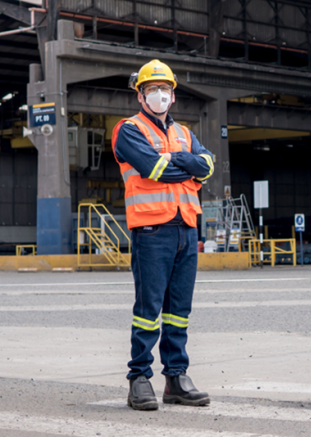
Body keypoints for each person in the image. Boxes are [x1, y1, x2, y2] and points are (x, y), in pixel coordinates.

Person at [112, 59, 215, 411]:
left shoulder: (185, 132)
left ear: (173, 95)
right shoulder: (128, 130)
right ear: (140, 95)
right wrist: (186, 164)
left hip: (186, 228)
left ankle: (176, 378)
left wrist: (180, 160)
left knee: (178, 311)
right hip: (152, 231)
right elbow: (155, 170)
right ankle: (139, 378)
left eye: (165, 89)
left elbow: (208, 166)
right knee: (148, 309)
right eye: (152, 89)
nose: (159, 95)